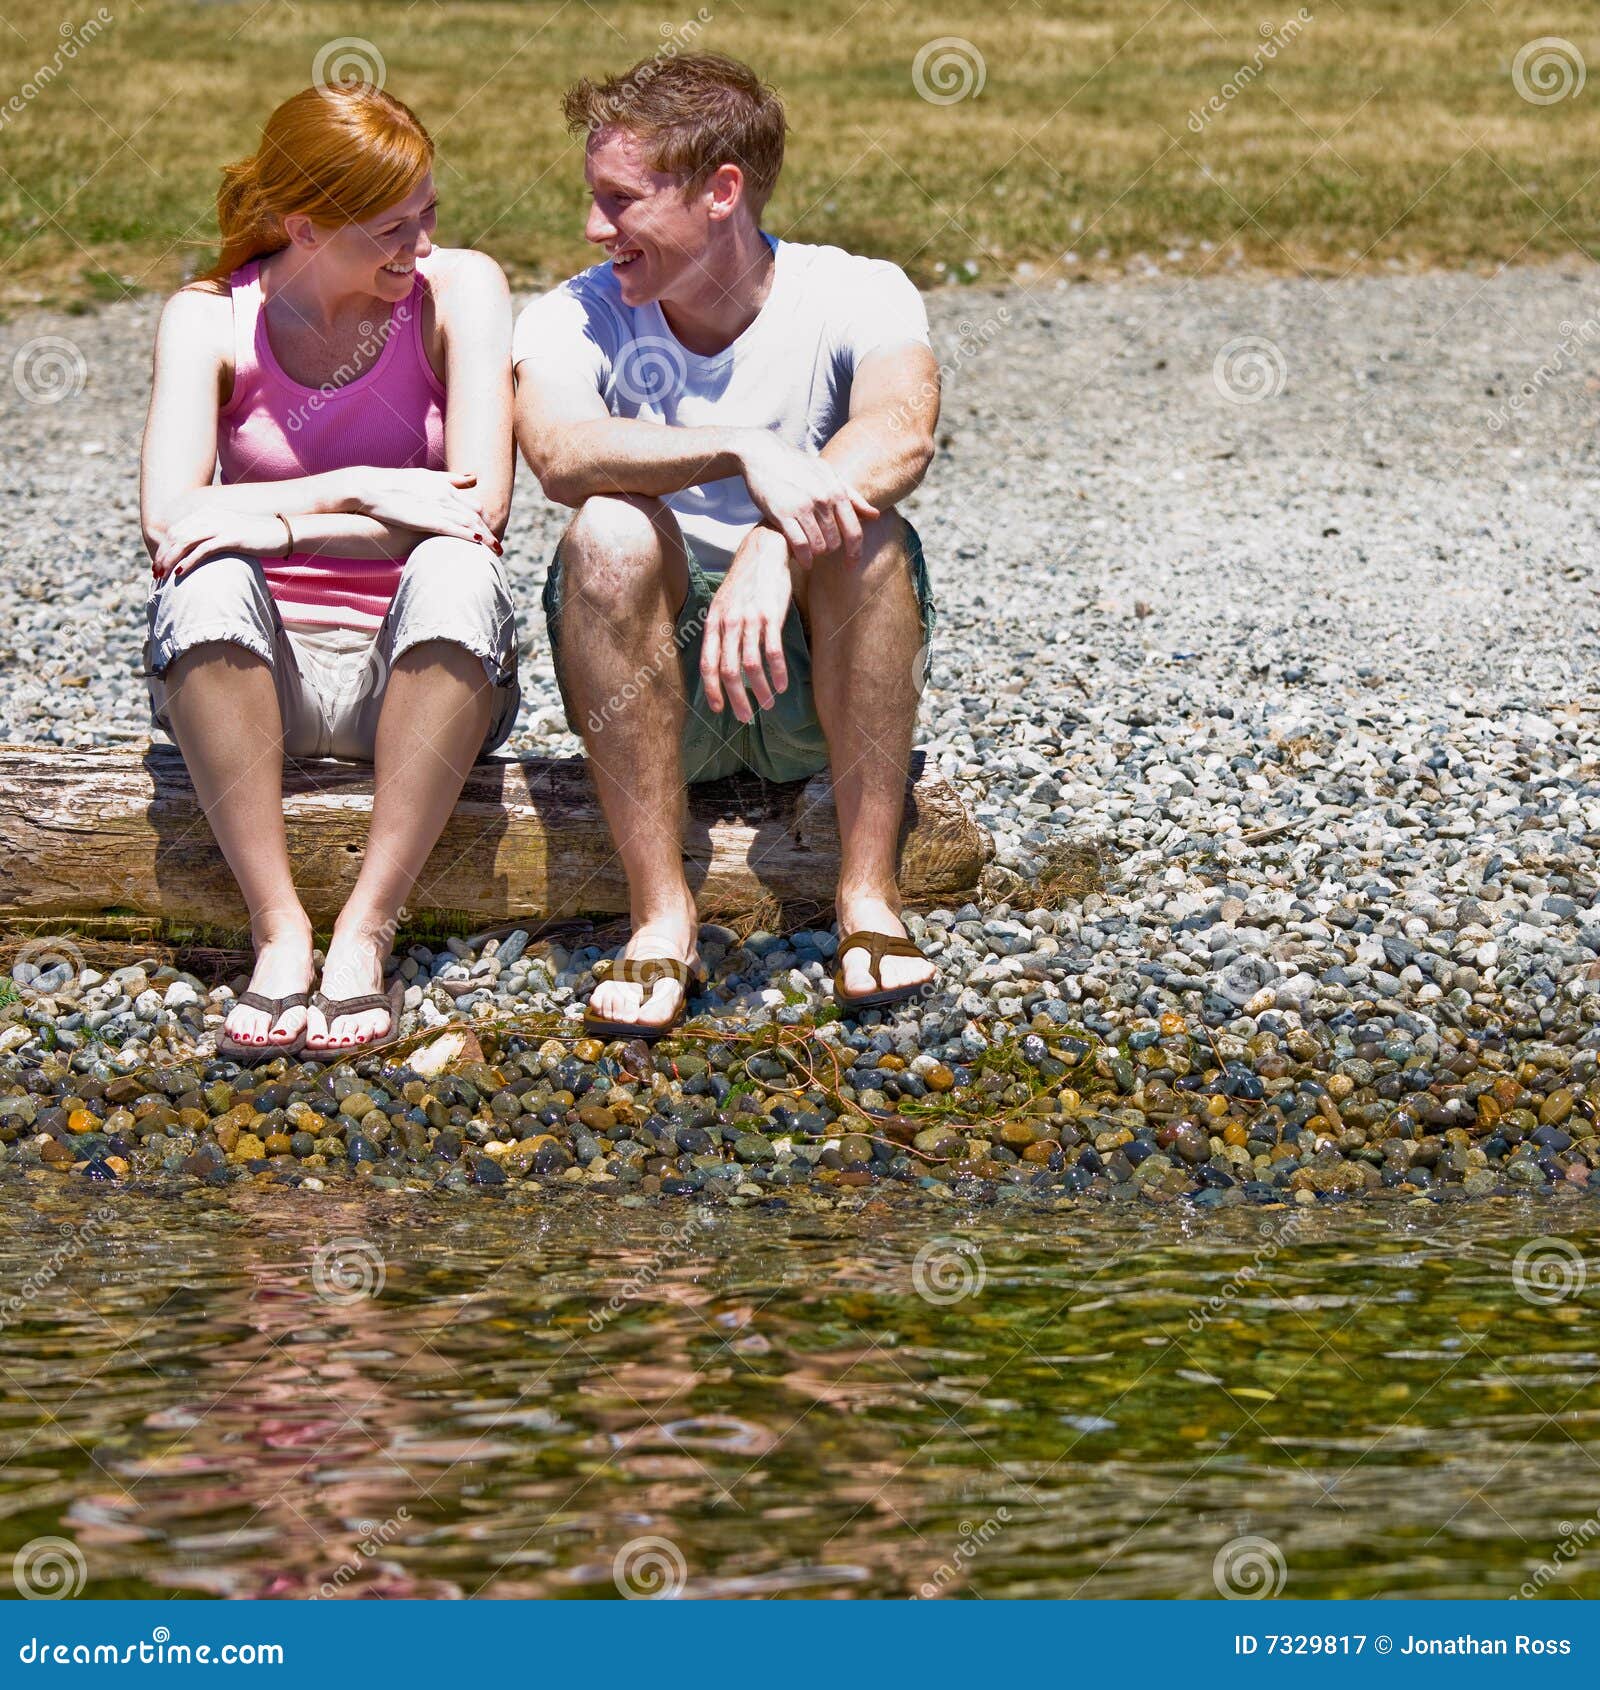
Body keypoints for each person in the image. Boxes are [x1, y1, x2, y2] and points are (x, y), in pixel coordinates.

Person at [514, 52, 940, 1038]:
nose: (593, 229)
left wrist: (771, 546)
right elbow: (560, 450)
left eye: (619, 202)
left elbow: (901, 428)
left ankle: (867, 899)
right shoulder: (576, 312)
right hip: (651, 672)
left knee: (864, 534)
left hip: (801, 669)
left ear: (721, 192)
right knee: (609, 527)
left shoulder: (857, 291)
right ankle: (662, 915)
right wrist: (742, 449)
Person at [139, 83, 519, 1063]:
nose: (420, 246)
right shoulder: (209, 318)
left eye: (428, 213)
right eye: (391, 228)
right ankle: (281, 929)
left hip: (422, 672)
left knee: (455, 573)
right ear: (303, 226)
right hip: (253, 676)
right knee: (206, 584)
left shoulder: (458, 291)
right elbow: (167, 521)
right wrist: (362, 490)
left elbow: (474, 520)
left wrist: (262, 522)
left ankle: (366, 928)